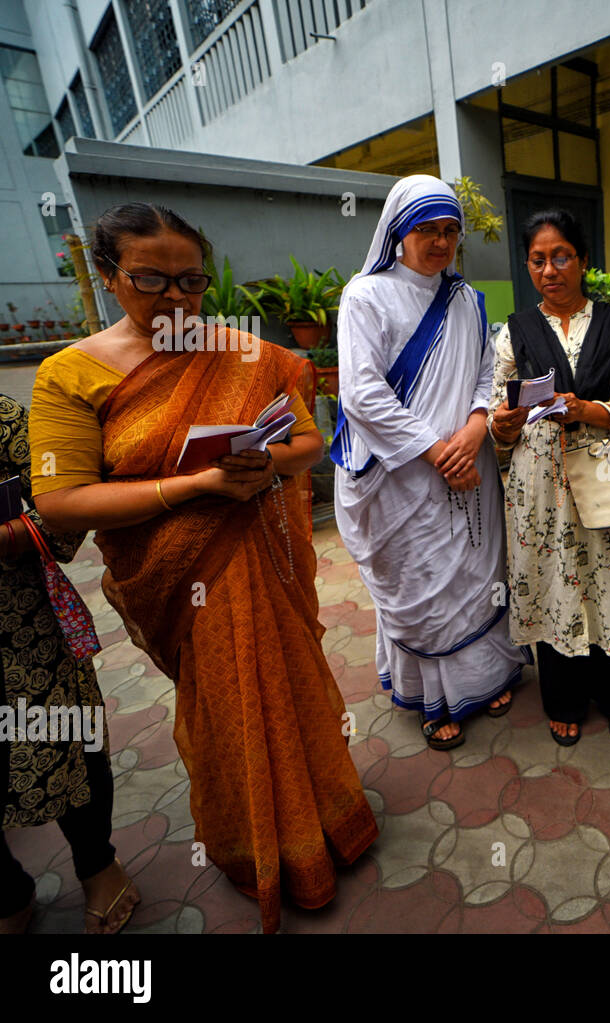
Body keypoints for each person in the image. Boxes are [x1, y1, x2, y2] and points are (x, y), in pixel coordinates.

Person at [29, 202, 377, 933]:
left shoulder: (249, 354)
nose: (178, 300)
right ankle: (256, 846)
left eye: (192, 280)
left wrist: (261, 462)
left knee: (294, 687)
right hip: (177, 576)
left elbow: (309, 444)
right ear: (108, 276)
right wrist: (194, 486)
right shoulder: (69, 374)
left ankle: (332, 822)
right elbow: (60, 502)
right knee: (228, 710)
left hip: (262, 560)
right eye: (151, 280)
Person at [331, 175, 527, 751]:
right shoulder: (365, 296)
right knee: (420, 582)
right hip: (402, 475)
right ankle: (432, 698)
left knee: (473, 575)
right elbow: (362, 394)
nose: (440, 243)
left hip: (469, 464)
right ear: (398, 232)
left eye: (450, 231)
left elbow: (486, 376)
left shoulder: (467, 299)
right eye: (426, 230)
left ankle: (487, 675)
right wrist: (438, 450)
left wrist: (472, 430)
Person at [488, 210, 610, 746]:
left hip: (607, 474)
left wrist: (586, 410)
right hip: (539, 485)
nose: (549, 269)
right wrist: (505, 423)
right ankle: (562, 698)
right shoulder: (514, 332)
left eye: (561, 256)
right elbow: (497, 416)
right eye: (538, 260)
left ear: (583, 260)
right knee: (552, 580)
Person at [1, 394, 139, 934]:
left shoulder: (7, 419)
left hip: (21, 627)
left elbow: (61, 502)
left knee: (66, 743)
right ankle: (8, 890)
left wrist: (11, 533)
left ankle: (99, 867)